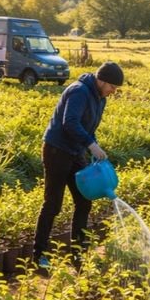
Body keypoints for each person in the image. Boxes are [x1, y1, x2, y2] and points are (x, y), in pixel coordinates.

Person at [33, 61, 124, 268]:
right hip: (56, 150)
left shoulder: (100, 98)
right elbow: (70, 122)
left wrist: (94, 146)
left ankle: (78, 254)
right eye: (112, 87)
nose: (113, 91)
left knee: (84, 201)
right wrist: (91, 146)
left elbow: (88, 128)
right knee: (53, 204)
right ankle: (39, 256)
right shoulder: (79, 91)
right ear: (101, 81)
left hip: (75, 152)